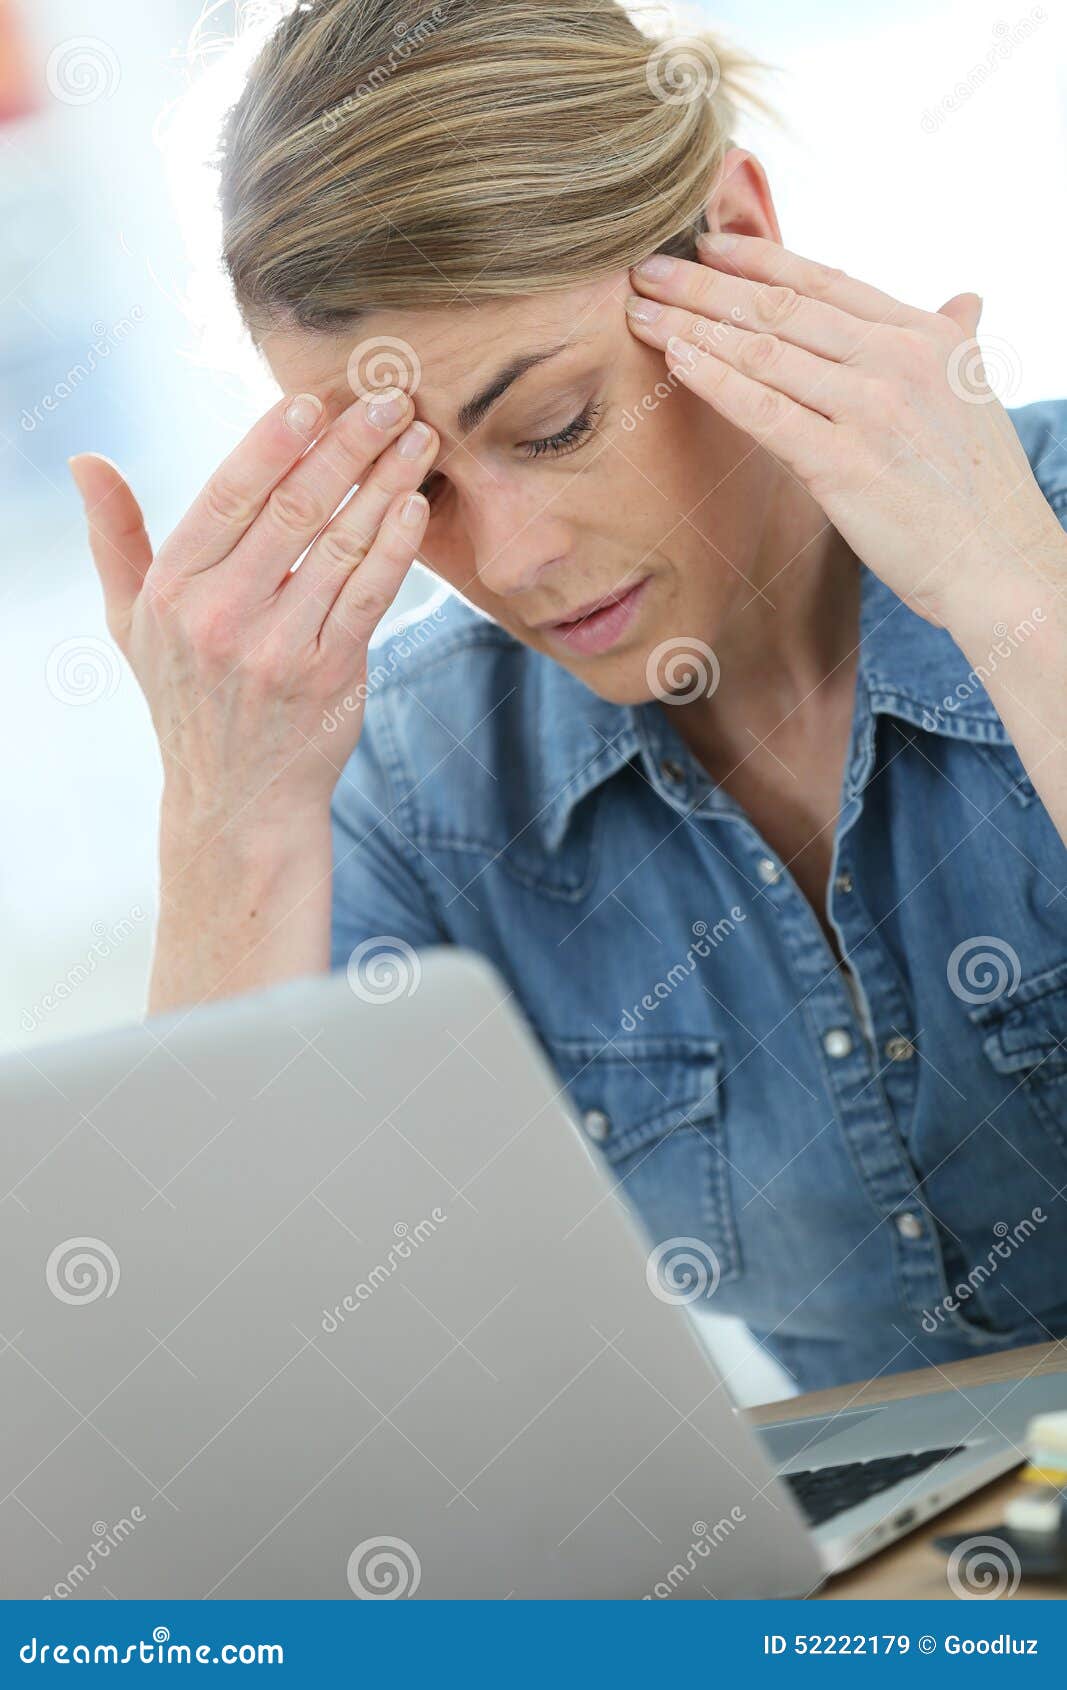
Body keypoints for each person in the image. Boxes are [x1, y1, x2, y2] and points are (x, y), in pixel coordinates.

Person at [68, 0, 1067, 1392]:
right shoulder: (429, 785)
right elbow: (212, 1398)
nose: (515, 562)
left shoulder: (1049, 532)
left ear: (741, 234)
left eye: (557, 424)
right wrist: (227, 818)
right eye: (410, 491)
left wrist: (1021, 596)